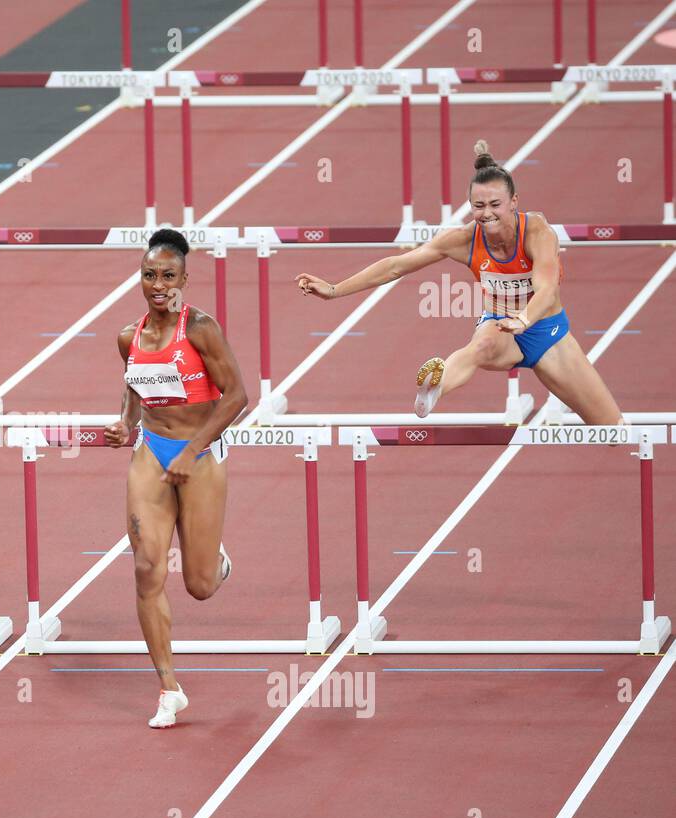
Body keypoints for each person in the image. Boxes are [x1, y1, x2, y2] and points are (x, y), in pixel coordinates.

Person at [295, 140, 624, 425]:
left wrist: (523, 319)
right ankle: (433, 391)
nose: (487, 213)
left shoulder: (537, 232)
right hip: (498, 326)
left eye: (496, 205)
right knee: (479, 347)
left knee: (612, 429)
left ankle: (605, 421)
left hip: (547, 332)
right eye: (478, 206)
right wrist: (335, 290)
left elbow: (547, 286)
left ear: (514, 202)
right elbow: (396, 266)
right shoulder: (465, 239)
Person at [104, 228, 249, 729]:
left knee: (200, 585)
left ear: (185, 278)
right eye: (149, 275)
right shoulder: (128, 336)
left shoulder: (201, 329)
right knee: (147, 569)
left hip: (201, 455)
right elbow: (133, 386)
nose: (158, 284)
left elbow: (237, 397)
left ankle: (215, 560)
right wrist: (124, 422)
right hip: (152, 452)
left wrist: (192, 450)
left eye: (168, 275)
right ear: (140, 278)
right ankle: (169, 688)